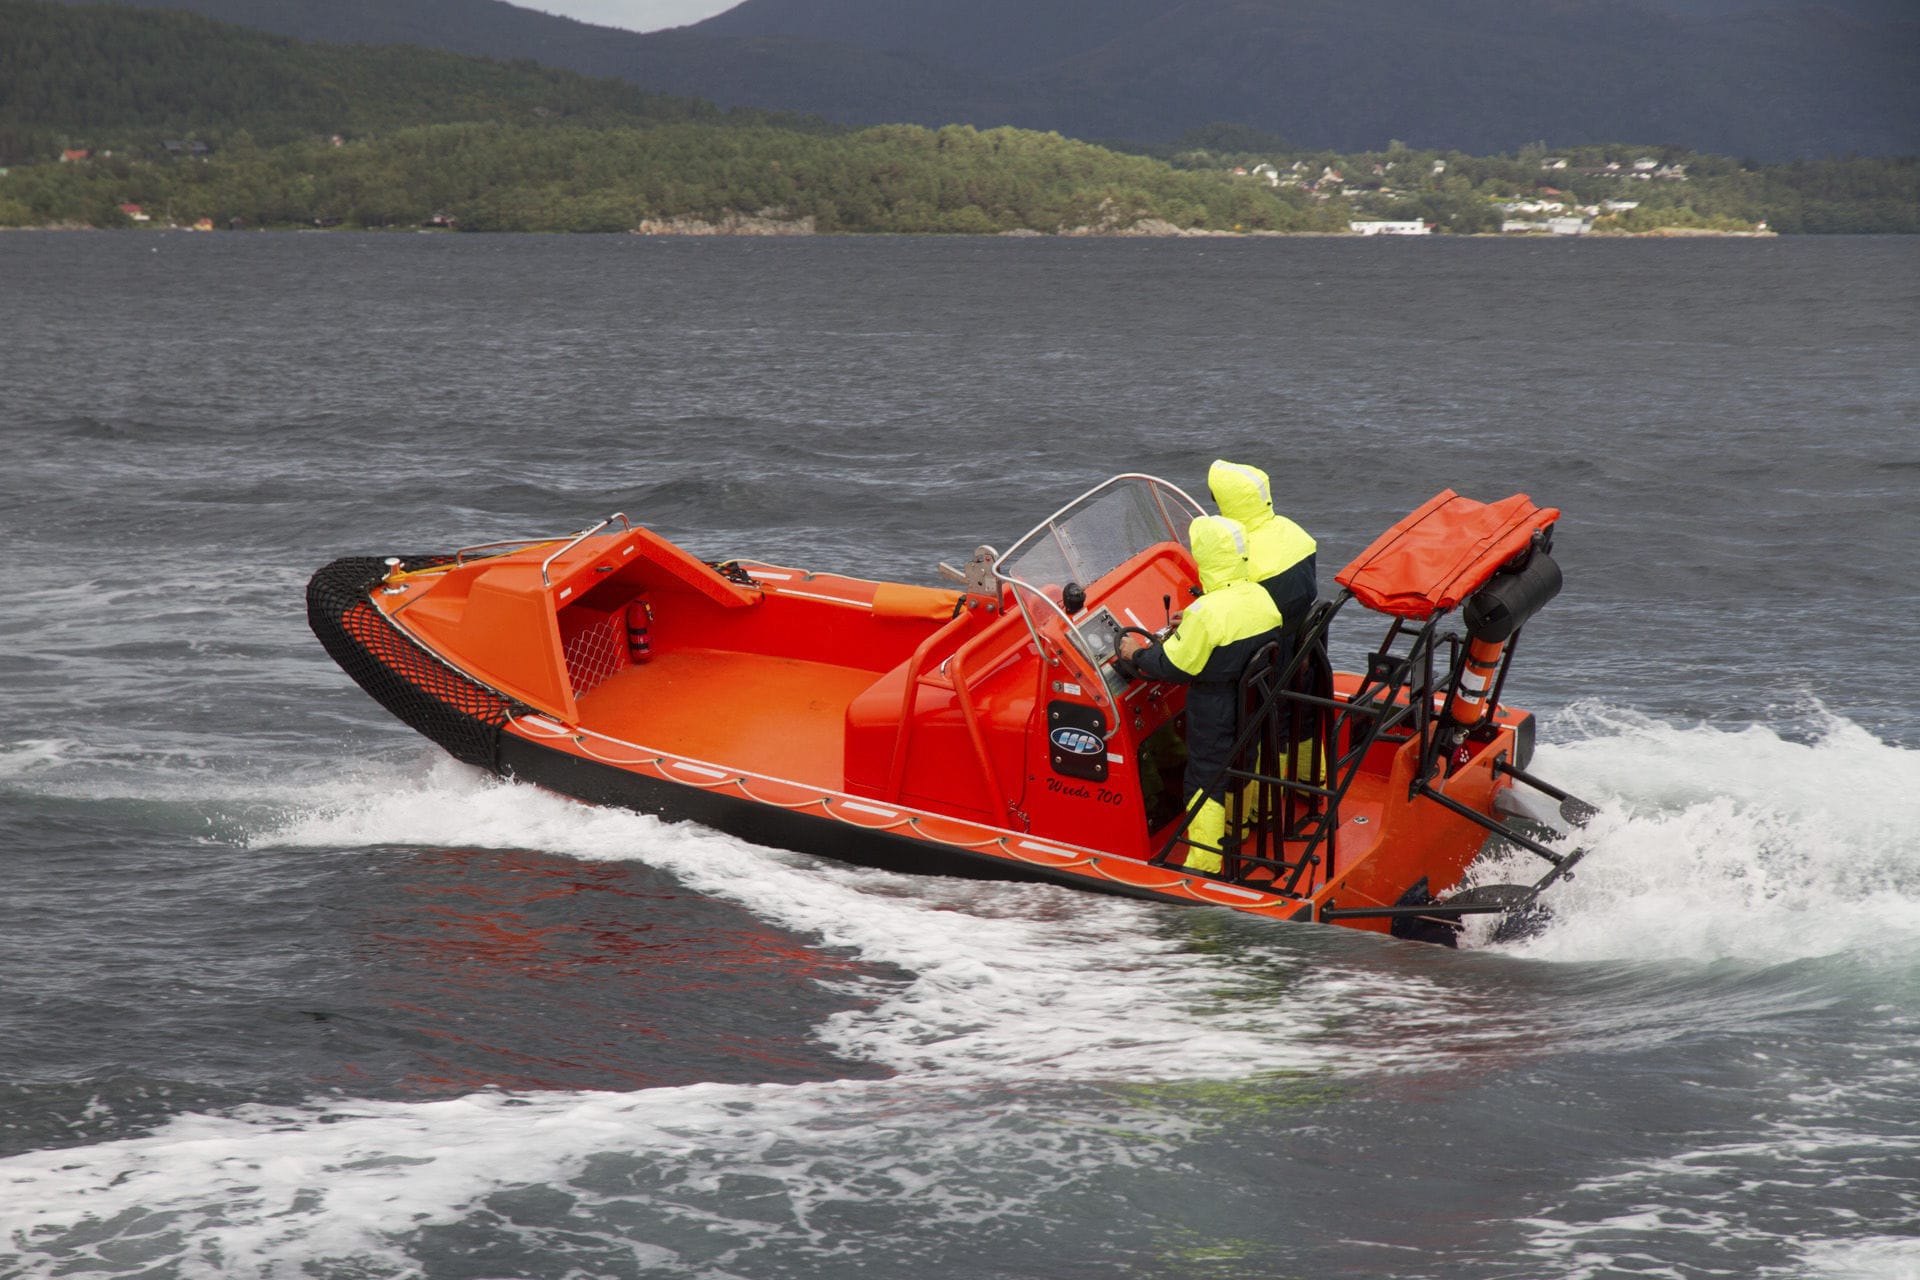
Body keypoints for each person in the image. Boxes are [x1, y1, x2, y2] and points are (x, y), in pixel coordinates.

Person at [1118, 515, 1283, 874]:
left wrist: (1133, 653)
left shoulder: (1207, 613)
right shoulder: (1259, 594)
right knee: (1243, 760)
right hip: (1255, 698)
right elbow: (1226, 624)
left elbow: (1170, 666)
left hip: (1215, 706)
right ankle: (1237, 827)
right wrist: (1191, 621)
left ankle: (1204, 861)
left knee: (1204, 777)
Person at [1207, 459, 1317, 626]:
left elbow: (1222, 612)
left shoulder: (1237, 554)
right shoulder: (1293, 530)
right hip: (1298, 638)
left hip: (1261, 641)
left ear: (1227, 501)